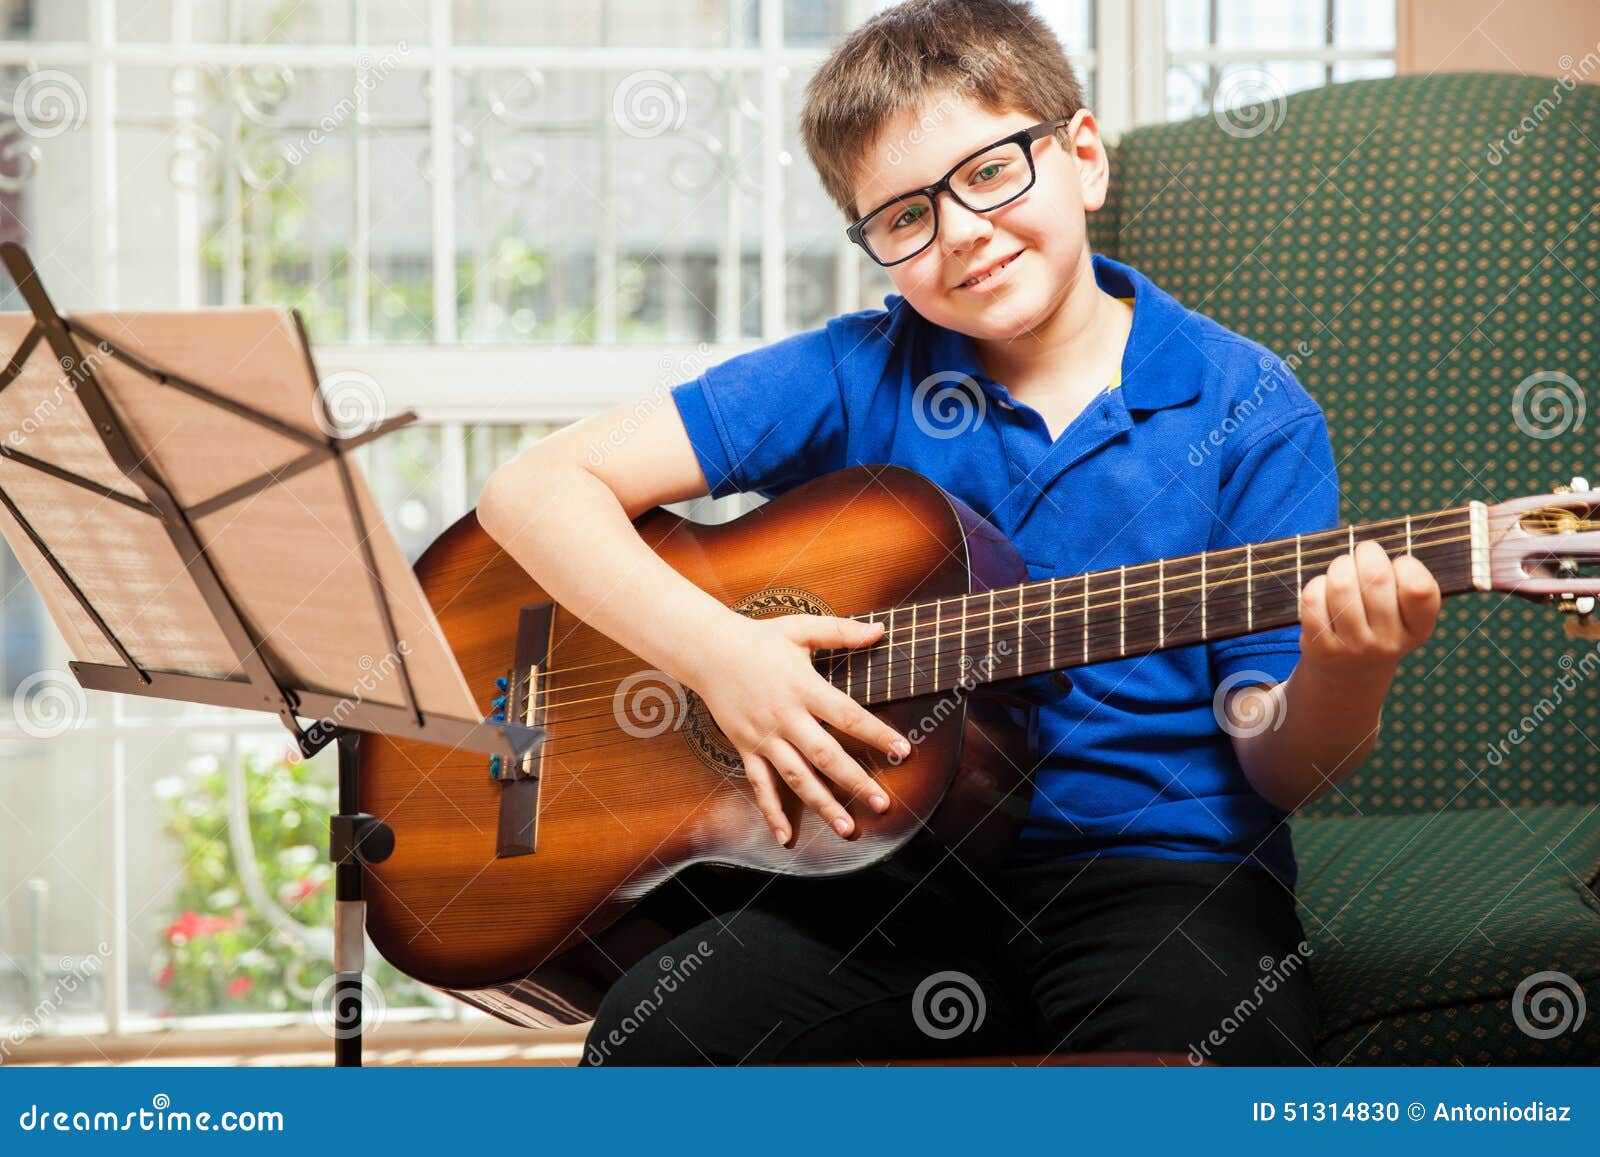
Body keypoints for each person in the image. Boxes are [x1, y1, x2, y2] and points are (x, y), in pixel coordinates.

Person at [477, 0, 1442, 1066]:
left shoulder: (1248, 406)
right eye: (905, 217)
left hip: (1160, 877)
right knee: (660, 1031)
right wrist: (718, 655)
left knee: (1196, 1064)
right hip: (881, 878)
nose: (962, 232)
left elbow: (1284, 766)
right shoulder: (854, 368)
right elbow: (532, 488)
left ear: (1082, 157)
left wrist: (1348, 670)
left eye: (990, 172)